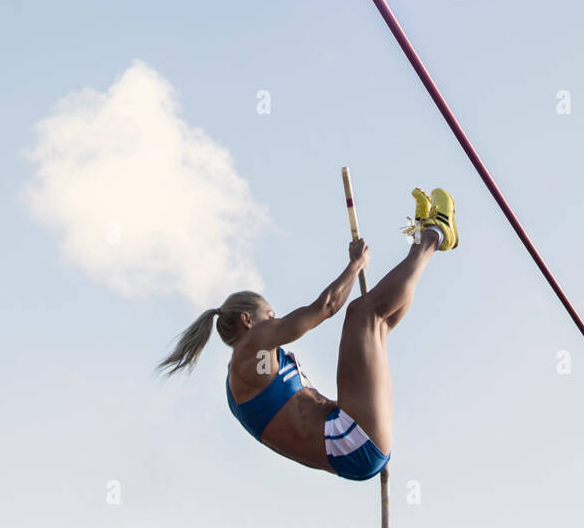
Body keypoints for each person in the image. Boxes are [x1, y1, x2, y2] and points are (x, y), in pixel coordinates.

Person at [156, 187, 457, 481]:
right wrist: (355, 265)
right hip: (350, 441)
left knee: (379, 324)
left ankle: (422, 235)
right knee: (361, 315)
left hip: (351, 441)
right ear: (247, 320)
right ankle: (436, 234)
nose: (275, 321)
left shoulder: (254, 365)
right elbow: (326, 307)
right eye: (269, 315)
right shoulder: (253, 348)